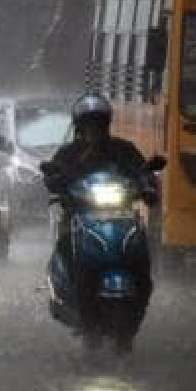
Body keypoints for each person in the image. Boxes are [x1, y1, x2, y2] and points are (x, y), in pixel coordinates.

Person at [43, 93, 155, 340]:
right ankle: (79, 311)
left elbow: (142, 171)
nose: (94, 129)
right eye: (88, 124)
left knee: (142, 265)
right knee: (66, 248)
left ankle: (135, 316)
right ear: (80, 126)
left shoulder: (122, 150)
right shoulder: (69, 153)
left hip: (122, 217)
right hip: (80, 216)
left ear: (107, 124)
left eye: (99, 123)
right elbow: (54, 175)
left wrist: (148, 185)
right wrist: (56, 181)